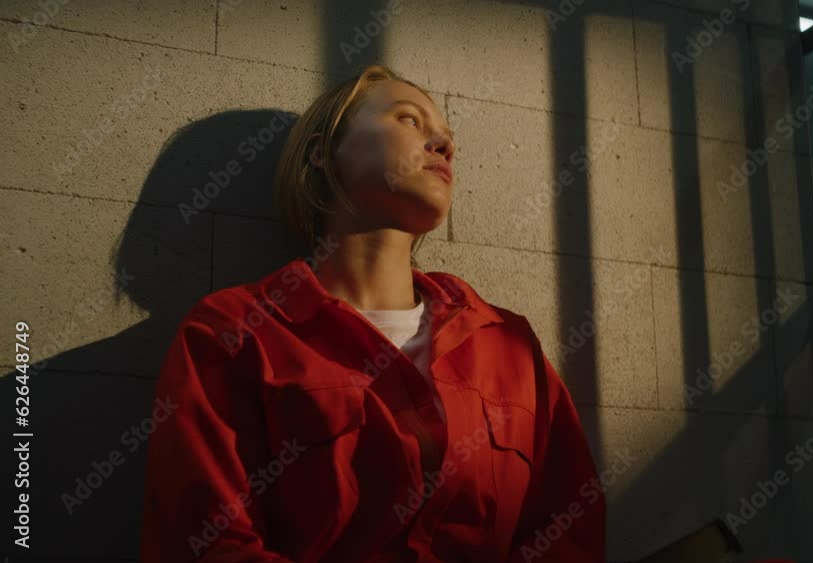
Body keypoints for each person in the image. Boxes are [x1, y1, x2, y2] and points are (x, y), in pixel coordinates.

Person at [139, 64, 605, 562]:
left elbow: (570, 529)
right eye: (409, 120)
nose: (443, 144)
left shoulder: (507, 343)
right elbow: (208, 542)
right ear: (323, 153)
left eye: (447, 137)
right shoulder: (233, 332)